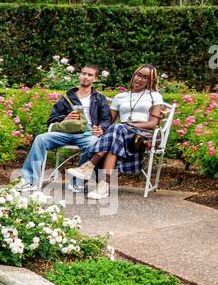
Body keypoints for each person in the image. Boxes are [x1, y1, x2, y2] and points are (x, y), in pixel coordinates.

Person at [66, 64, 168, 201]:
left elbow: (152, 124)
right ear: (134, 75)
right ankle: (104, 186)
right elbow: (109, 122)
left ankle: (89, 166)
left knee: (117, 129)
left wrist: (131, 125)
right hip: (121, 134)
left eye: (145, 77)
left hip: (142, 135)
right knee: (116, 131)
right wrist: (100, 128)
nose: (140, 79)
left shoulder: (155, 96)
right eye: (138, 75)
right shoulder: (121, 97)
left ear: (151, 80)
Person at [14, 62, 109, 193]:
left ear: (95, 79)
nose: (85, 77)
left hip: (87, 134)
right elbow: (51, 119)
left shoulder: (99, 99)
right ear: (79, 76)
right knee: (41, 139)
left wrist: (101, 129)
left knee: (94, 143)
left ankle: (78, 182)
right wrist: (65, 118)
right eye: (83, 73)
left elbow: (106, 120)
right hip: (65, 133)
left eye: (90, 75)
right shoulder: (67, 98)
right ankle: (30, 181)